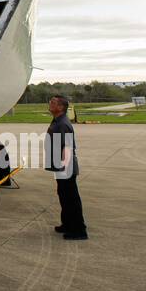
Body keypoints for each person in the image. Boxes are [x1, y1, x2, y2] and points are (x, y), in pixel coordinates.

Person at [46, 95, 87, 240]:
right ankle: (67, 224)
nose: (50, 104)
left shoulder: (63, 123)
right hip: (61, 167)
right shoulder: (58, 120)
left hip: (66, 167)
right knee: (64, 196)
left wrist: (64, 167)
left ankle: (79, 230)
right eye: (51, 101)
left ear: (61, 107)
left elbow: (68, 147)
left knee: (71, 199)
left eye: (54, 102)